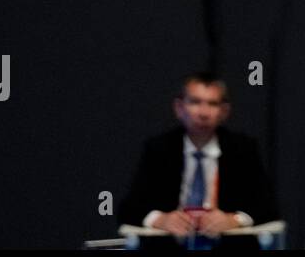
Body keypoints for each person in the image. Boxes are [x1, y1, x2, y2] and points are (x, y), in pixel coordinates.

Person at [119, 73, 278, 243]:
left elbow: (267, 208)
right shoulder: (159, 149)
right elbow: (129, 209)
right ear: (179, 108)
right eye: (195, 102)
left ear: (224, 111)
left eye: (213, 104)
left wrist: (233, 220)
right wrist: (161, 220)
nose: (204, 113)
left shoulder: (242, 149)